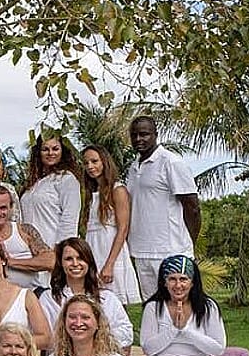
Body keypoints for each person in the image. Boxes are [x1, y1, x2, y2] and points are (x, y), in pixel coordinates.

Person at [126, 117, 202, 297]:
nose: (138, 139)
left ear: (155, 135)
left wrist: (188, 244)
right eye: (134, 135)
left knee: (177, 305)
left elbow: (192, 207)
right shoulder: (134, 167)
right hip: (141, 251)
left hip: (171, 251)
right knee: (152, 306)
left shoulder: (171, 163)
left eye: (144, 134)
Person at [81, 144, 140, 303]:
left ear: (104, 162)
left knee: (115, 302)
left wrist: (109, 264)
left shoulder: (117, 190)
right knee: (94, 301)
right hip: (93, 248)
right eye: (86, 163)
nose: (90, 166)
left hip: (110, 249)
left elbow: (123, 229)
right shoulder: (92, 193)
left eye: (94, 161)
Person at [19, 133, 82, 250]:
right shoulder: (33, 183)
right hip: (28, 250)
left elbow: (70, 219)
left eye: (55, 149)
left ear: (62, 151)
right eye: (45, 149)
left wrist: (61, 250)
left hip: (52, 248)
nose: (50, 153)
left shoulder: (67, 179)